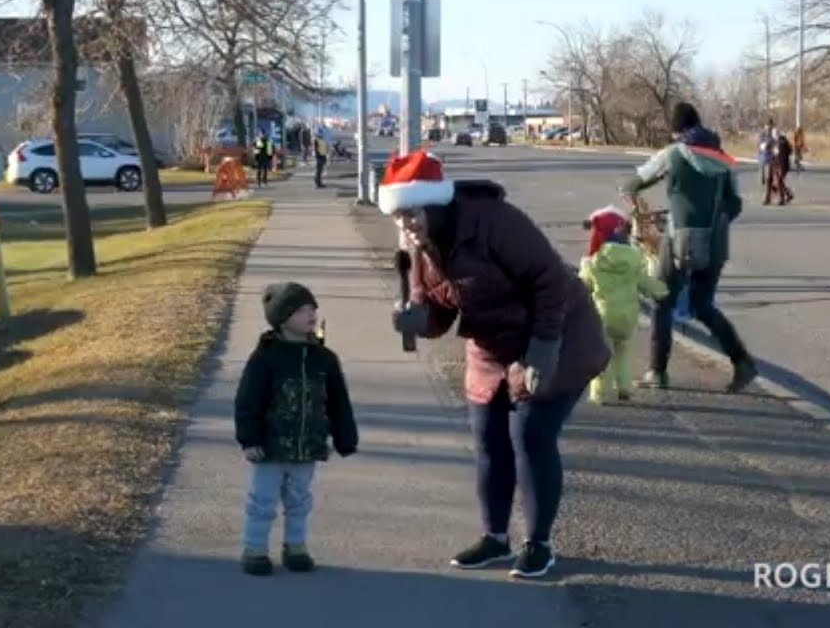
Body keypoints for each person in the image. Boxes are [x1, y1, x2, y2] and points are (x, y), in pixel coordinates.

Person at [380, 151, 610, 579]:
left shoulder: (493, 221)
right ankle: (495, 539)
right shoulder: (418, 249)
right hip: (490, 347)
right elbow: (436, 311)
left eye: (411, 216)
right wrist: (418, 320)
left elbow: (549, 279)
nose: (405, 227)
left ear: (432, 204)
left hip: (559, 332)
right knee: (489, 439)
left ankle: (538, 544)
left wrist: (543, 348)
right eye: (398, 218)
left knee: (530, 435)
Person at [623, 101, 758, 393]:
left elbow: (632, 184)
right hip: (716, 243)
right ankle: (742, 361)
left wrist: (638, 206)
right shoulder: (723, 159)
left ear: (677, 130)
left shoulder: (672, 154)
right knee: (702, 305)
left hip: (678, 241)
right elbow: (734, 205)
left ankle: (657, 372)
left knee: (662, 301)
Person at [234, 282, 359, 576]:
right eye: (302, 310)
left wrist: (345, 437)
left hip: (308, 445)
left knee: (300, 500)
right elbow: (247, 401)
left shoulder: (324, 359)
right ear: (282, 318)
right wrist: (248, 439)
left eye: (313, 308)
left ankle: (296, 546)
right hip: (269, 447)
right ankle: (254, 549)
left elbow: (339, 401)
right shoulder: (265, 358)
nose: (311, 314)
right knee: (262, 501)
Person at [579, 206, 667, 405]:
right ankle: (624, 387)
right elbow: (645, 283)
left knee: (600, 355)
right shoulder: (635, 258)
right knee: (622, 351)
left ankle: (599, 393)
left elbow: (583, 286)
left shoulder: (593, 261)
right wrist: (663, 291)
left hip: (602, 316)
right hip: (627, 316)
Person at [766, 132, 794, 206]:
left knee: (777, 181)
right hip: (780, 165)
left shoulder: (777, 144)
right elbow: (789, 152)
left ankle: (780, 198)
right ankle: (786, 196)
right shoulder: (784, 144)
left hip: (778, 164)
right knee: (778, 181)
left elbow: (771, 152)